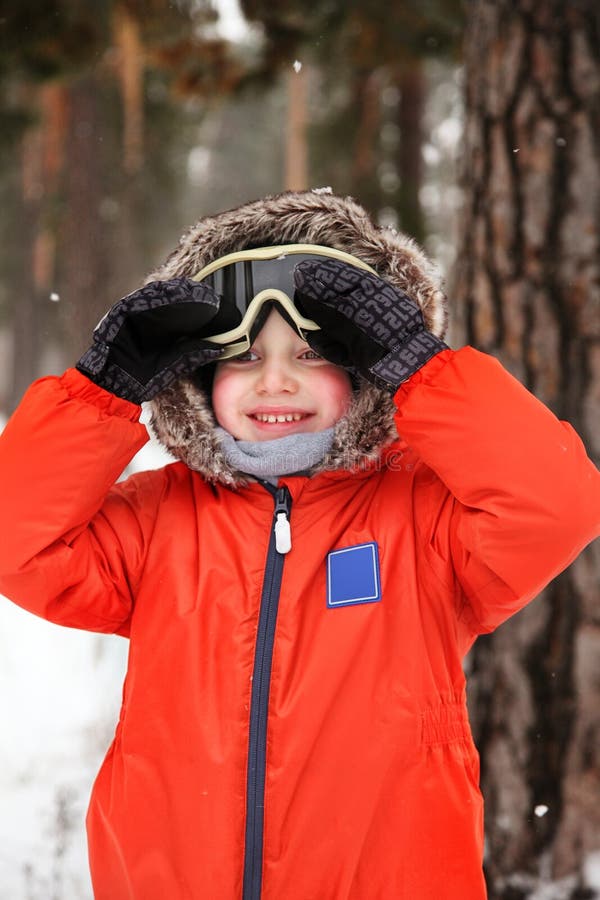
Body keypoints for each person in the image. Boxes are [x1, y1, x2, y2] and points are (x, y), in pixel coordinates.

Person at [0, 189, 598, 900]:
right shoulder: (158, 519)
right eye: (244, 357)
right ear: (196, 379)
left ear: (364, 373)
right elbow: (18, 540)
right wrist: (101, 389)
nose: (275, 381)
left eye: (311, 354)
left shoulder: (424, 516)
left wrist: (420, 366)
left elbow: (557, 505)